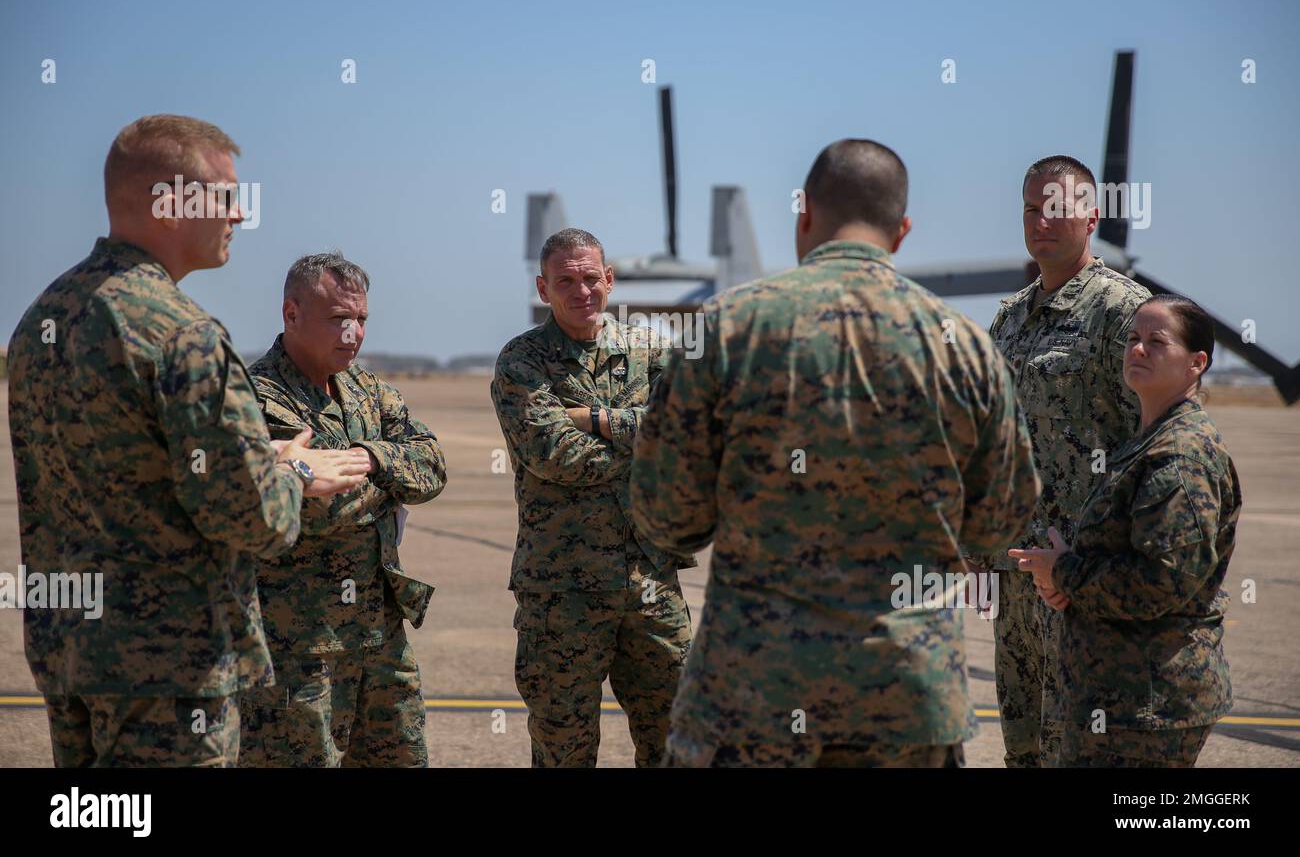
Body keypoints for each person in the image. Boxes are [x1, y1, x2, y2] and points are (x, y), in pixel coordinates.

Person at [630, 139, 1040, 767]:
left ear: (804, 215)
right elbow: (1002, 521)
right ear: (902, 232)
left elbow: (667, 515)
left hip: (754, 695)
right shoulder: (963, 344)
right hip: (907, 699)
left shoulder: (725, 328)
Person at [6, 115, 368, 767]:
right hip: (169, 672)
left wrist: (262, 460)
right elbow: (252, 517)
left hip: (70, 654)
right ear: (169, 205)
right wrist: (295, 473)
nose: (239, 215)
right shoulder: (179, 332)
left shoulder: (43, 320)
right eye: (227, 197)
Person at [490, 228, 695, 767]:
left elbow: (692, 434)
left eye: (590, 278)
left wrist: (599, 420)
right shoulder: (522, 362)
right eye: (565, 281)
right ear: (543, 288)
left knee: (678, 739)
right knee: (564, 748)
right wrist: (645, 446)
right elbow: (555, 456)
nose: (580, 291)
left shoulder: (652, 350)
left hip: (652, 583)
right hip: (562, 590)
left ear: (609, 280)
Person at [238, 252, 447, 767]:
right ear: (291, 314)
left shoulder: (367, 390)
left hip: (380, 636)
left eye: (361, 320)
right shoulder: (255, 398)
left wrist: (370, 458)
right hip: (298, 647)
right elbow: (313, 510)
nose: (353, 333)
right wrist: (387, 478)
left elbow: (433, 467)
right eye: (338, 319)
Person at [1013, 295, 1240, 767]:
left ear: (1196, 363)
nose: (1137, 350)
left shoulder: (1178, 456)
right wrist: (1067, 578)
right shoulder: (1147, 439)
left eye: (1156, 342)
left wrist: (1067, 574)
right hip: (1120, 698)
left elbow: (1158, 584)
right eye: (1133, 339)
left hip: (1147, 705)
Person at [976, 155, 1150, 767]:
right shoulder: (1009, 319)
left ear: (1090, 217)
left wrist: (1114, 567)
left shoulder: (1123, 315)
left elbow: (1155, 443)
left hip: (1083, 580)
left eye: (1056, 207)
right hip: (1018, 579)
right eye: (1030, 208)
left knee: (1082, 751)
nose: (1040, 221)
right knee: (1022, 749)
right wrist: (978, 558)